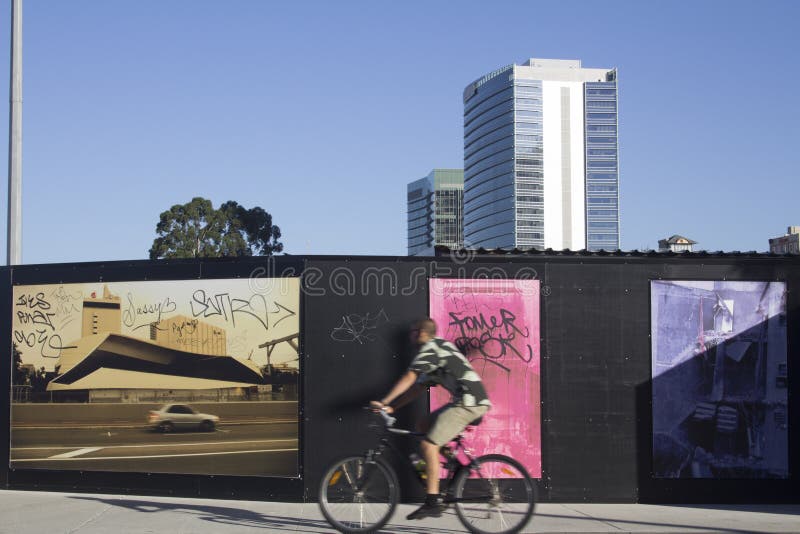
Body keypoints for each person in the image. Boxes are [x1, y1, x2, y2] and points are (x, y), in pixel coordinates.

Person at [371, 317, 491, 520]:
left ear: (422, 333)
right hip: (464, 401)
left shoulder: (432, 347)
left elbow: (410, 377)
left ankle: (432, 502)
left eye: (413, 332)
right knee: (423, 425)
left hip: (469, 402)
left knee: (428, 446)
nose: (411, 336)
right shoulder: (437, 351)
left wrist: (384, 401)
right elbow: (417, 388)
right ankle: (456, 465)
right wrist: (393, 407)